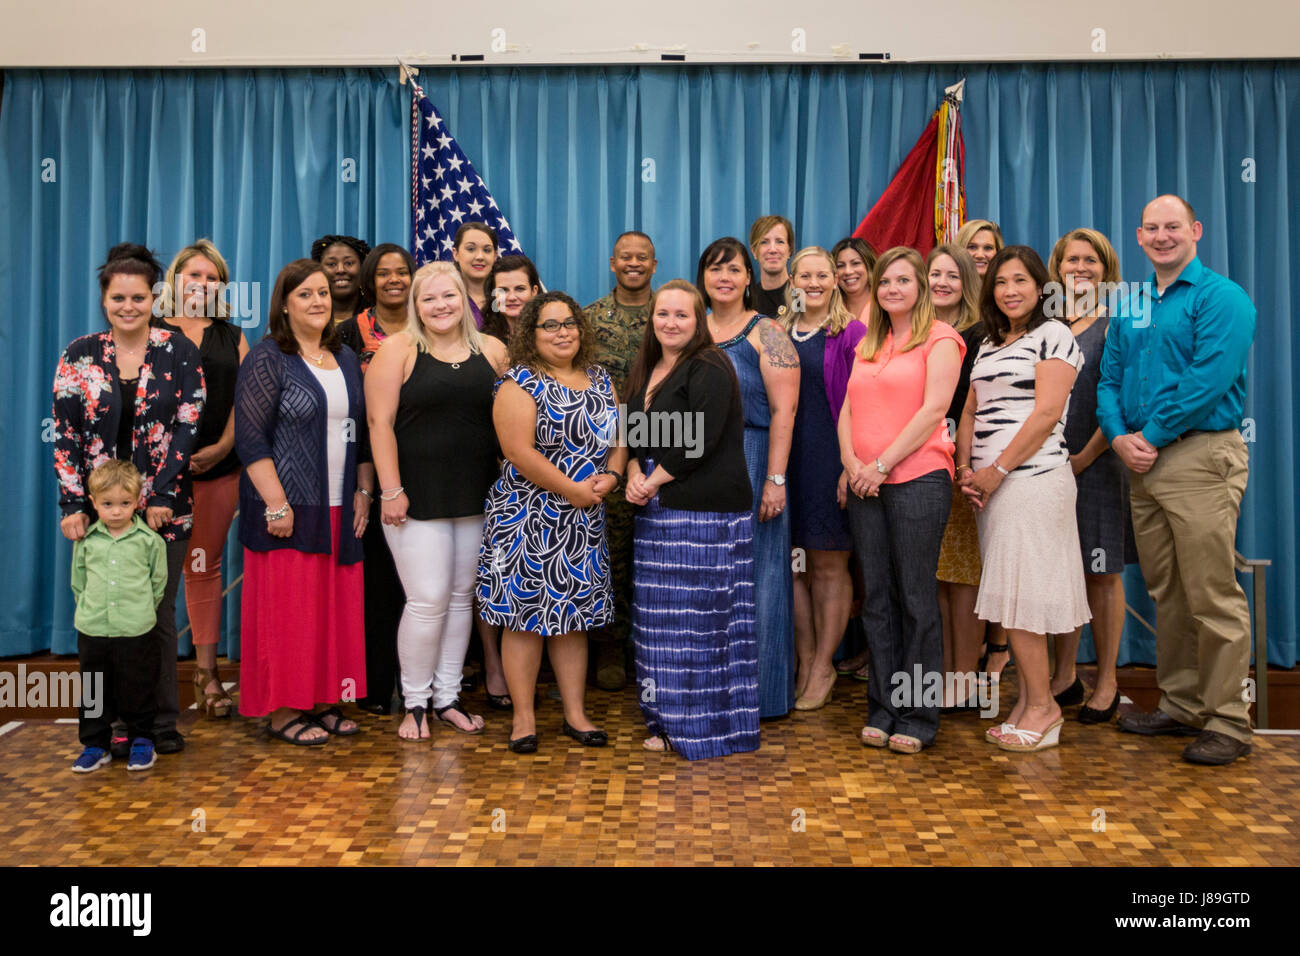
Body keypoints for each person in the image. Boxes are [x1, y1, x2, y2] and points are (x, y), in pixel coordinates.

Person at [1100, 195, 1257, 765]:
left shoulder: (1223, 298)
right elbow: (1109, 376)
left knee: (1212, 594)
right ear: (1139, 238)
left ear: (1194, 230)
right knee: (1169, 591)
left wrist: (1150, 435)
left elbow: (1209, 379)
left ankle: (1229, 722)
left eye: (1173, 227)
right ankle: (1184, 703)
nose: (1162, 236)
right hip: (1141, 459)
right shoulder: (1133, 302)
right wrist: (1119, 436)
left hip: (1199, 457)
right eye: (1152, 229)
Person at [53, 243, 205, 758]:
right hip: (99, 513)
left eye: (138, 297)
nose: (128, 306)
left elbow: (188, 424)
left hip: (165, 508)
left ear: (154, 297)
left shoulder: (179, 350)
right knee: (100, 619)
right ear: (103, 298)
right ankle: (103, 728)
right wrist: (73, 504)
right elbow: (66, 437)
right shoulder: (79, 354)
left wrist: (161, 492)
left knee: (154, 615)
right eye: (118, 297)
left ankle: (156, 723)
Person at [367, 262, 510, 739]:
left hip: (476, 495)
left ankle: (447, 697)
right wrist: (390, 490)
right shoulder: (398, 350)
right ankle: (414, 702)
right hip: (413, 498)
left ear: (465, 301)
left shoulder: (492, 350)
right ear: (415, 306)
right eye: (428, 299)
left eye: (448, 296)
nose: (440, 306)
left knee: (458, 598)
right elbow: (379, 425)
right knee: (426, 600)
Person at [234, 259, 374, 745]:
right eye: (305, 295)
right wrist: (276, 502)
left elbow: (360, 434)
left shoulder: (347, 358)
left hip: (338, 505)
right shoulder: (269, 357)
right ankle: (282, 712)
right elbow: (251, 440)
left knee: (332, 610)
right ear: (285, 305)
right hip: (287, 506)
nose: (318, 302)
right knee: (289, 613)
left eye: (323, 293)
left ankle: (322, 700)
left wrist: (363, 490)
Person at [477, 292, 624, 754]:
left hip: (583, 522)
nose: (563, 332)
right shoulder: (517, 382)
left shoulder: (600, 378)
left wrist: (615, 474)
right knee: (523, 620)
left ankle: (575, 715)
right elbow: (518, 453)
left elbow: (622, 434)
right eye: (550, 325)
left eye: (569, 323)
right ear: (531, 334)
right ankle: (523, 719)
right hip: (527, 518)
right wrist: (573, 490)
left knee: (572, 620)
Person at [956, 246, 1091, 753]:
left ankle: (1044, 707)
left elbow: (1046, 413)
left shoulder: (1053, 335)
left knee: (1026, 597)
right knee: (1012, 598)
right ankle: (1029, 700)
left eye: (1021, 280)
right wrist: (967, 469)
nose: (1010, 290)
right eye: (1001, 283)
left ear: (1041, 287)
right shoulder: (989, 343)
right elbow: (969, 410)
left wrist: (997, 470)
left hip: (1033, 480)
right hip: (991, 486)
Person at [624, 279, 759, 758]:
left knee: (701, 627)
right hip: (658, 513)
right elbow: (635, 433)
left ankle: (707, 730)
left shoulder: (710, 365)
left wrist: (651, 479)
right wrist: (633, 474)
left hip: (706, 516)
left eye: (682, 315)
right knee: (659, 627)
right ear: (652, 319)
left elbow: (696, 438)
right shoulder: (646, 367)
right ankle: (664, 722)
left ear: (698, 320)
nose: (671, 323)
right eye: (663, 314)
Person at [840, 247, 964, 754]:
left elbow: (935, 408)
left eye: (902, 281)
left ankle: (919, 714)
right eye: (884, 281)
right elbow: (847, 407)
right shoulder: (871, 341)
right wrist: (851, 464)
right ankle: (883, 708)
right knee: (878, 600)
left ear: (922, 288)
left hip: (917, 480)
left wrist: (882, 465)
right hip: (865, 484)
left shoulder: (941, 339)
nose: (892, 289)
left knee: (916, 600)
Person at [699, 237, 800, 718]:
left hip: (755, 457)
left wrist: (775, 478)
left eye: (734, 269)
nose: (724, 277)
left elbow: (785, 409)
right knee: (710, 578)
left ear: (748, 277)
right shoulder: (690, 329)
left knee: (759, 575)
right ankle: (714, 690)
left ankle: (760, 696)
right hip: (698, 465)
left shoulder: (769, 331)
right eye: (715, 269)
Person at [157, 239, 249, 719]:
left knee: (201, 566)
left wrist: (222, 447)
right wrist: (167, 459)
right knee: (152, 572)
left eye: (212, 278)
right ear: (174, 280)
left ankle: (207, 672)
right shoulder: (149, 330)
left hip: (217, 469)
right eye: (194, 274)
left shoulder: (232, 336)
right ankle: (147, 681)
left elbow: (244, 401)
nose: (203, 284)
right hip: (156, 478)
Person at [1046, 227, 1129, 722]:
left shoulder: (1120, 321)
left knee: (1100, 573)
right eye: (1071, 259)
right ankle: (1064, 675)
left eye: (1090, 260)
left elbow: (1122, 398)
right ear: (1057, 268)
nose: (1079, 267)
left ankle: (1110, 680)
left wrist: (1085, 457)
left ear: (1106, 269)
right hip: (1046, 467)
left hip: (1098, 464)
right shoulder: (1046, 323)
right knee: (1060, 571)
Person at [782, 247, 866, 709]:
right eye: (804, 275)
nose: (812, 282)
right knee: (792, 564)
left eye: (822, 275)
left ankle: (824, 665)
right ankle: (806, 655)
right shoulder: (776, 332)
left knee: (829, 565)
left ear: (835, 280)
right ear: (791, 280)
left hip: (829, 459)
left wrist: (848, 465)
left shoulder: (851, 334)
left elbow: (864, 404)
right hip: (784, 461)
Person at [337, 243, 414, 716]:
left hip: (425, 467)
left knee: (423, 587)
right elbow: (351, 409)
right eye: (383, 273)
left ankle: (420, 686)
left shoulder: (433, 325)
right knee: (381, 584)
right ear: (370, 280)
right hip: (367, 467)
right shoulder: (350, 332)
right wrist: (366, 487)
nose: (394, 280)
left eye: (402, 272)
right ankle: (374, 685)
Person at [582, 230, 657, 690]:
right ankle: (609, 647)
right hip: (606, 446)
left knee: (658, 554)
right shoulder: (589, 319)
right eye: (625, 257)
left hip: (666, 442)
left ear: (654, 263)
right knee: (611, 553)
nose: (633, 263)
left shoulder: (672, 313)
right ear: (613, 263)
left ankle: (649, 649)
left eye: (642, 257)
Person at [473, 252, 542, 709]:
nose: (512, 296)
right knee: (492, 570)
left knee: (536, 571)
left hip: (549, 475)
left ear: (536, 291)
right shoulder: (477, 339)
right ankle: (493, 665)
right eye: (503, 289)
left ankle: (538, 667)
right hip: (487, 467)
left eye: (521, 287)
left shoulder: (555, 332)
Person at [69, 460, 167, 773]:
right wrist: (88, 609)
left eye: (125, 503)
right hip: (94, 629)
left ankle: (142, 741)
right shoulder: (87, 541)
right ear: (94, 502)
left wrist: (140, 611)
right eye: (108, 504)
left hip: (136, 629)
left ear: (137, 501)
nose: (116, 511)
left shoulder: (149, 540)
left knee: (138, 686)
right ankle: (96, 745)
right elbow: (78, 581)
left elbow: (157, 582)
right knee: (93, 688)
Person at [926, 244, 986, 707]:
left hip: (966, 463)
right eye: (934, 273)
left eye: (952, 275)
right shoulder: (918, 330)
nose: (942, 282)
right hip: (923, 464)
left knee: (964, 576)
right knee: (939, 575)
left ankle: (967, 678)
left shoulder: (981, 333)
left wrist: (967, 465)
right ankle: (947, 672)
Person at [311, 234, 371, 324]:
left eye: (349, 263)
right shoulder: (308, 316)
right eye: (331, 264)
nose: (340, 270)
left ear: (362, 267)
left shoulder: (378, 316)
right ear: (319, 269)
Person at [482, 254, 541, 345]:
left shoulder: (549, 334)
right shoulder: (482, 340)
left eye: (520, 289)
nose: (511, 297)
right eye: (503, 290)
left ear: (534, 291)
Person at [452, 221, 499, 329]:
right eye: (471, 249)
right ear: (456, 254)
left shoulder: (504, 295)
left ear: (495, 256)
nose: (480, 257)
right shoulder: (445, 297)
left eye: (487, 250)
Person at [748, 215, 795, 319]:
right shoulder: (748, 300)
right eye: (764, 242)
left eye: (780, 241)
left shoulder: (800, 294)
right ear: (754, 251)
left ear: (790, 250)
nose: (773, 249)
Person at [832, 236, 877, 321]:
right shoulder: (828, 306)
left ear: (869, 266)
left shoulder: (885, 304)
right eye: (840, 266)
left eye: (855, 263)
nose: (848, 271)